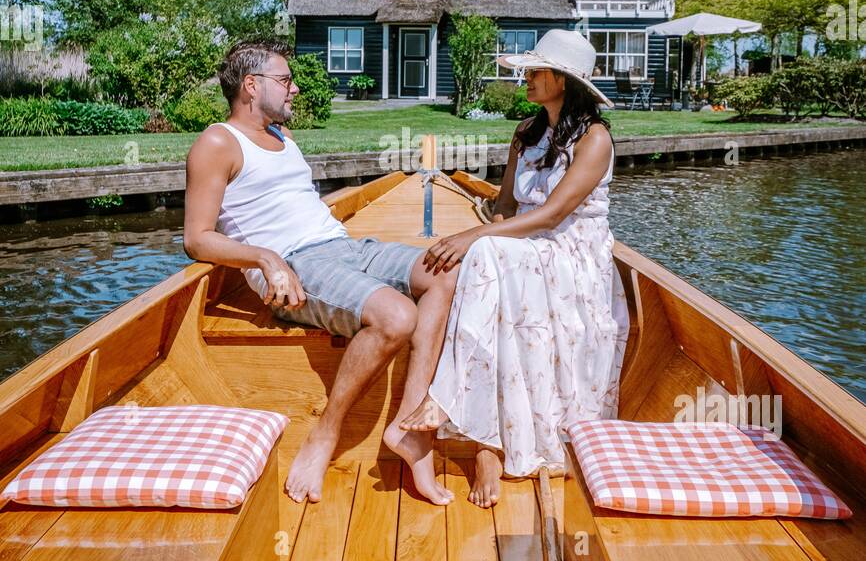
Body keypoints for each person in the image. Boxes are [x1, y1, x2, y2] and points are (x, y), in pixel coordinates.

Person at [183, 42, 459, 507]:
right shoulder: (217, 143)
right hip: (298, 263)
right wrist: (269, 260)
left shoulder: (284, 137)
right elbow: (197, 238)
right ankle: (325, 434)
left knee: (444, 272)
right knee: (396, 318)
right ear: (252, 86)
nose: (295, 88)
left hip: (344, 246)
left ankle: (413, 428)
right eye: (285, 79)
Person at [399, 29, 630, 508]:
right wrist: (488, 233)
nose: (526, 77)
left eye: (536, 70)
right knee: (485, 262)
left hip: (573, 256)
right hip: (525, 249)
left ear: (565, 82)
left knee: (481, 256)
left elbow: (551, 216)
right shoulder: (526, 133)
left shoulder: (595, 139)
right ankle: (487, 443)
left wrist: (472, 238)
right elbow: (505, 207)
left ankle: (454, 410)